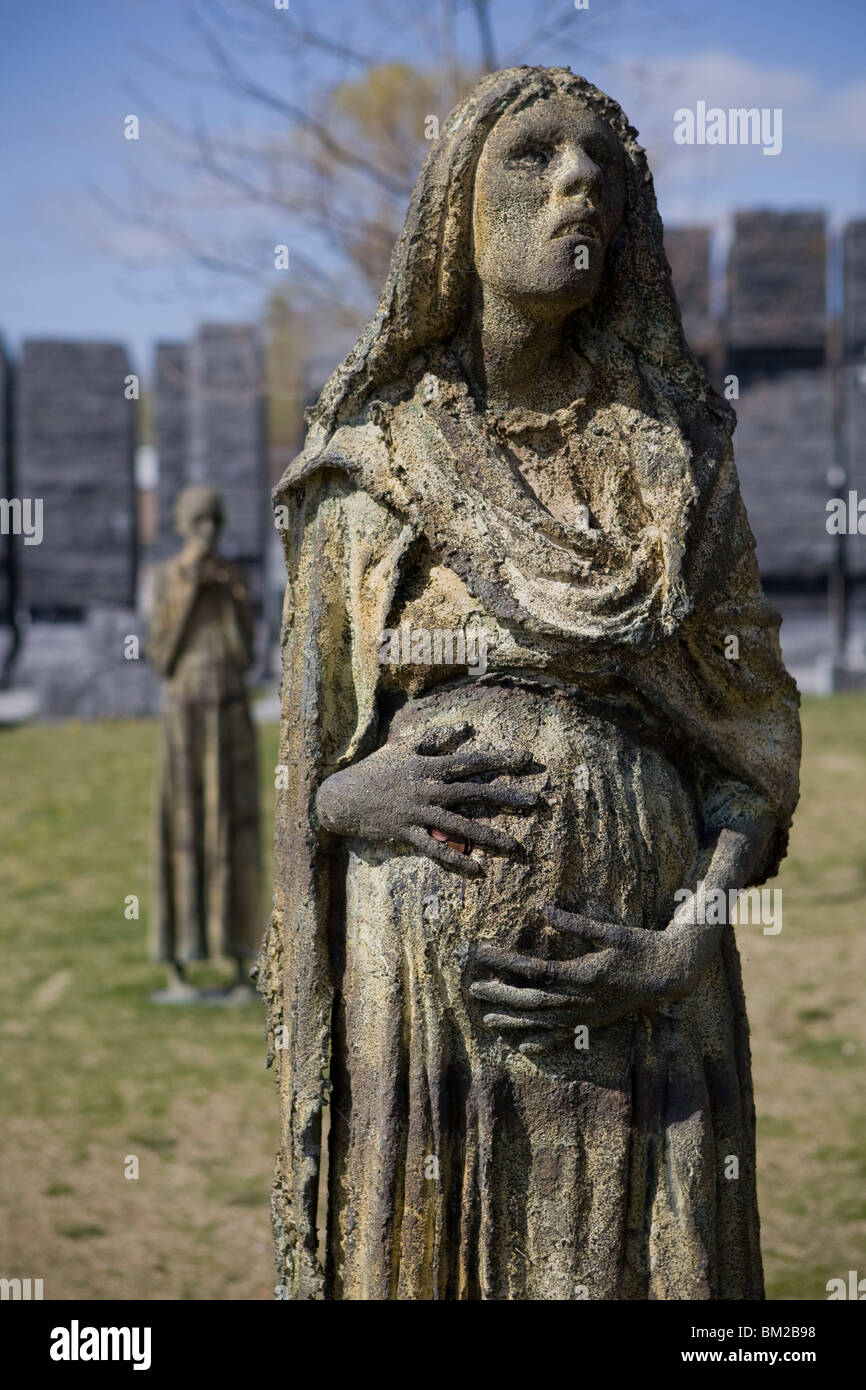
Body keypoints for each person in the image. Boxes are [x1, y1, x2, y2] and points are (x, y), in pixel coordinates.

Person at [260, 67, 801, 1299]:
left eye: (600, 166)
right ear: (457, 204)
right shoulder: (368, 463)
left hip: (646, 1002)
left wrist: (682, 947)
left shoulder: (675, 463)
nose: (577, 183)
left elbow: (752, 756)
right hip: (421, 1009)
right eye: (534, 155)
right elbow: (307, 777)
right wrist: (354, 798)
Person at [148, 485, 261, 1002]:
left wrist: (231, 599)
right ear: (181, 525)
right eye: (198, 522)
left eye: (214, 521)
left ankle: (240, 961)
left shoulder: (234, 576)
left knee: (235, 825)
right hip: (185, 713)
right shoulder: (167, 577)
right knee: (184, 822)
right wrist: (192, 592)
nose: (208, 531)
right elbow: (162, 657)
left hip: (230, 710)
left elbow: (245, 657)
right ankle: (179, 961)